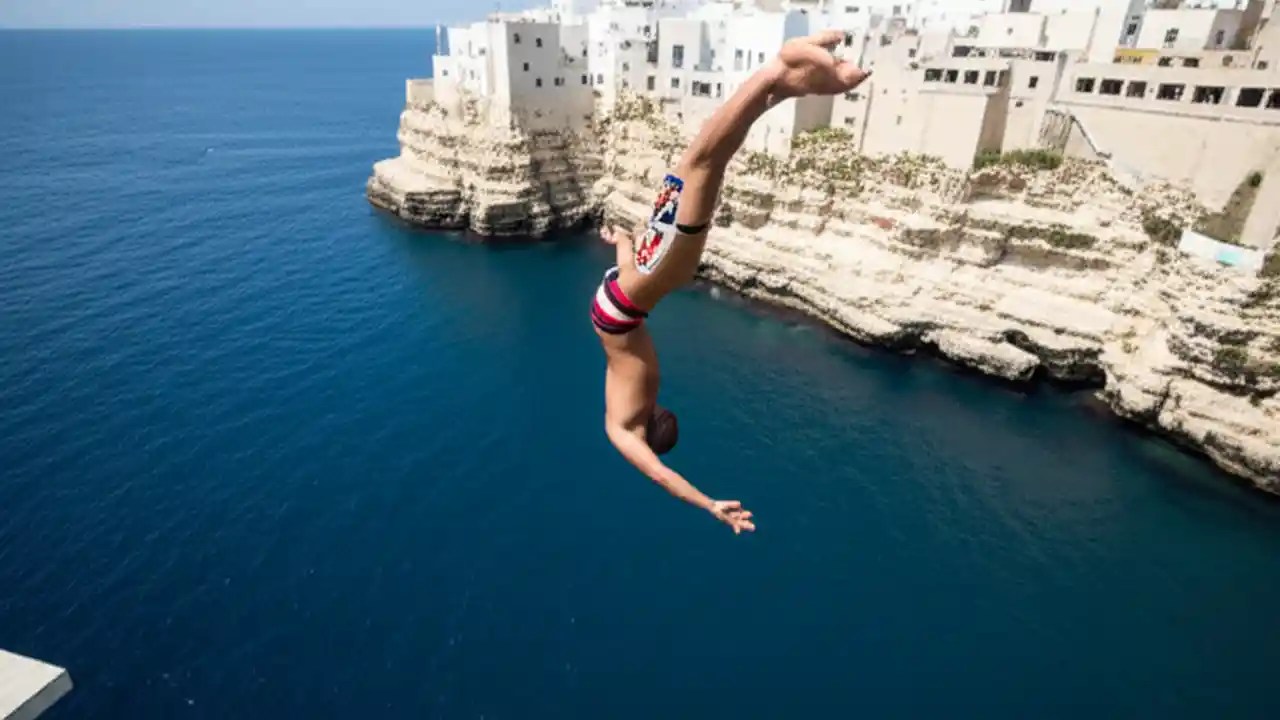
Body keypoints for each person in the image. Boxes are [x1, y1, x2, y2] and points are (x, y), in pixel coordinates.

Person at [590, 31, 870, 535]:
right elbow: (626, 277)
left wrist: (709, 505)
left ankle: (778, 75)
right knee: (689, 165)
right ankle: (786, 82)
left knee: (702, 166)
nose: (665, 413)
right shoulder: (625, 411)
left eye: (665, 423)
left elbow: (662, 476)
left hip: (638, 293)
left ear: (655, 430)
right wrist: (620, 239)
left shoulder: (624, 432)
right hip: (617, 294)